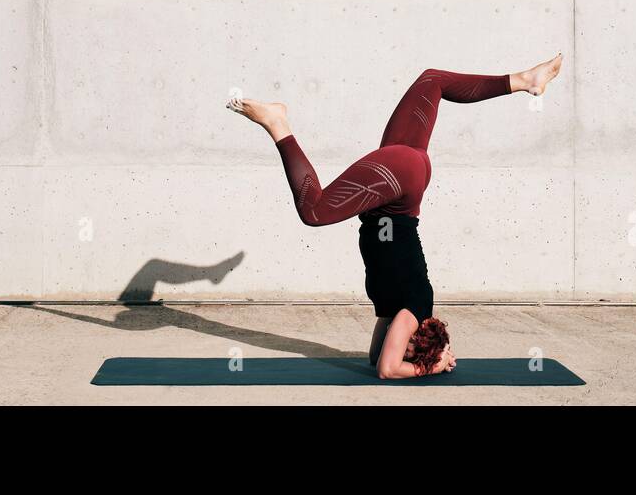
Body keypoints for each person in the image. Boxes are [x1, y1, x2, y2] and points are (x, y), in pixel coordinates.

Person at [228, 54, 563, 379]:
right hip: (398, 182)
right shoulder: (412, 311)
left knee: (433, 80)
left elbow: (378, 358)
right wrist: (430, 365)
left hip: (403, 177)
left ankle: (524, 81)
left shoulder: (397, 312)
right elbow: (388, 369)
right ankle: (277, 123)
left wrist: (436, 355)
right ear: (412, 343)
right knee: (315, 210)